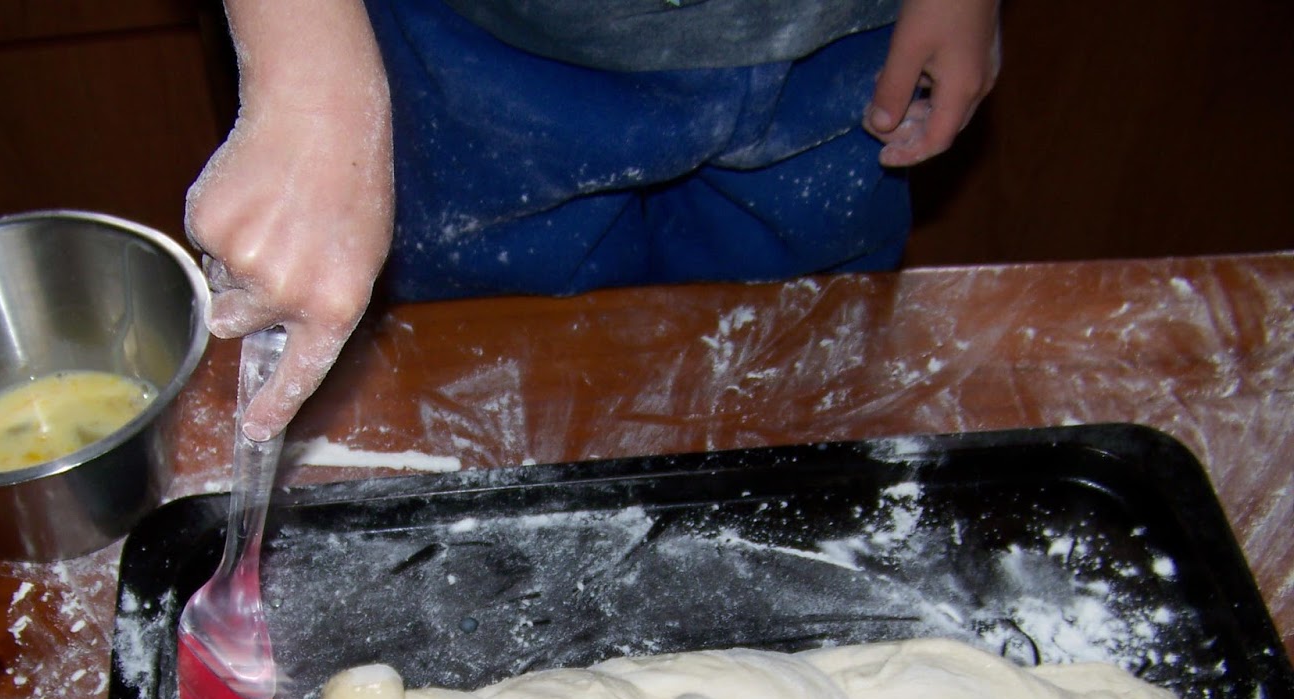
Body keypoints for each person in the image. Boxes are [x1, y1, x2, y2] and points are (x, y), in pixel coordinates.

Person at [185, 0, 1000, 441]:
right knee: (491, 396)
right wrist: (301, 63)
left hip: (840, 47)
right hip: (488, 57)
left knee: (800, 387)